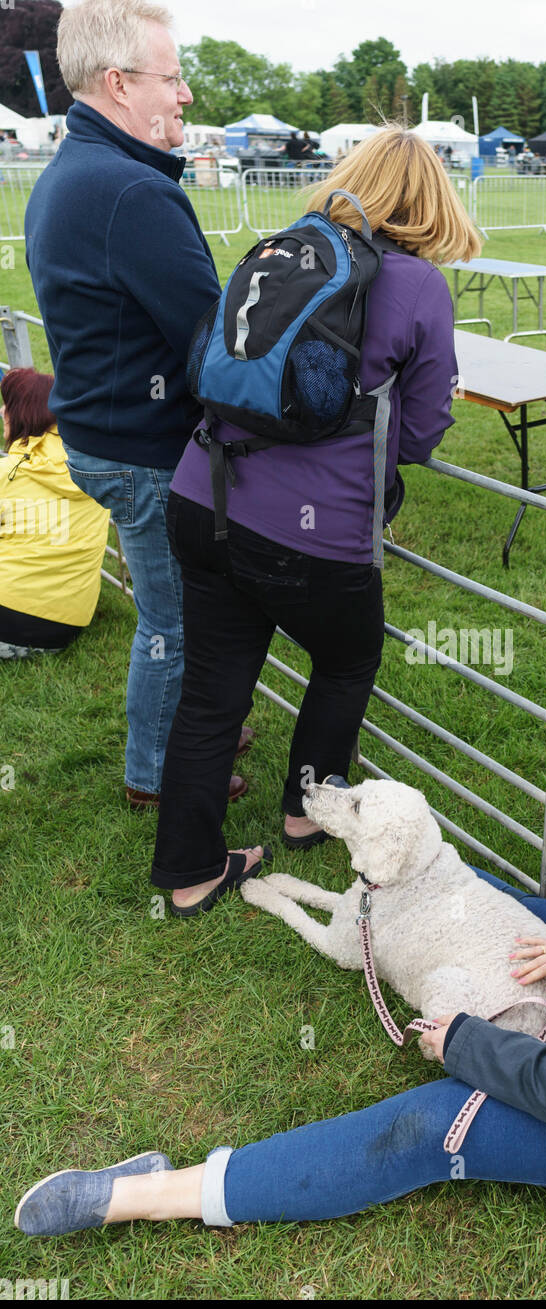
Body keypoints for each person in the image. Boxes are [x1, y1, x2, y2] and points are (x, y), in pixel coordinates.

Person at [16, 692, 546, 1288]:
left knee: (429, 1124)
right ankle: (510, 945)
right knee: (537, 917)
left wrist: (466, 1038)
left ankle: (149, 1193)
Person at [147, 124, 481, 915]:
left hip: (203, 495)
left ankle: (190, 871)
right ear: (433, 201)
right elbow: (425, 428)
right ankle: (307, 812)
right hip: (312, 532)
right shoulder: (418, 286)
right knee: (343, 663)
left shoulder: (283, 249)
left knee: (210, 691)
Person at [24, 0, 249, 810]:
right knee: (173, 621)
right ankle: (157, 772)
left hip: (100, 431)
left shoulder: (76, 169)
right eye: (174, 77)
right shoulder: (129, 189)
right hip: (141, 446)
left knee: (175, 609)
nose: (186, 95)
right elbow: (210, 335)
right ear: (118, 83)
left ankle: (190, 721)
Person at [0, 368, 109, 659]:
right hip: (64, 627)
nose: (2, 411)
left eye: (7, 405)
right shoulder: (94, 468)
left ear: (20, 414)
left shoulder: (8, 472)